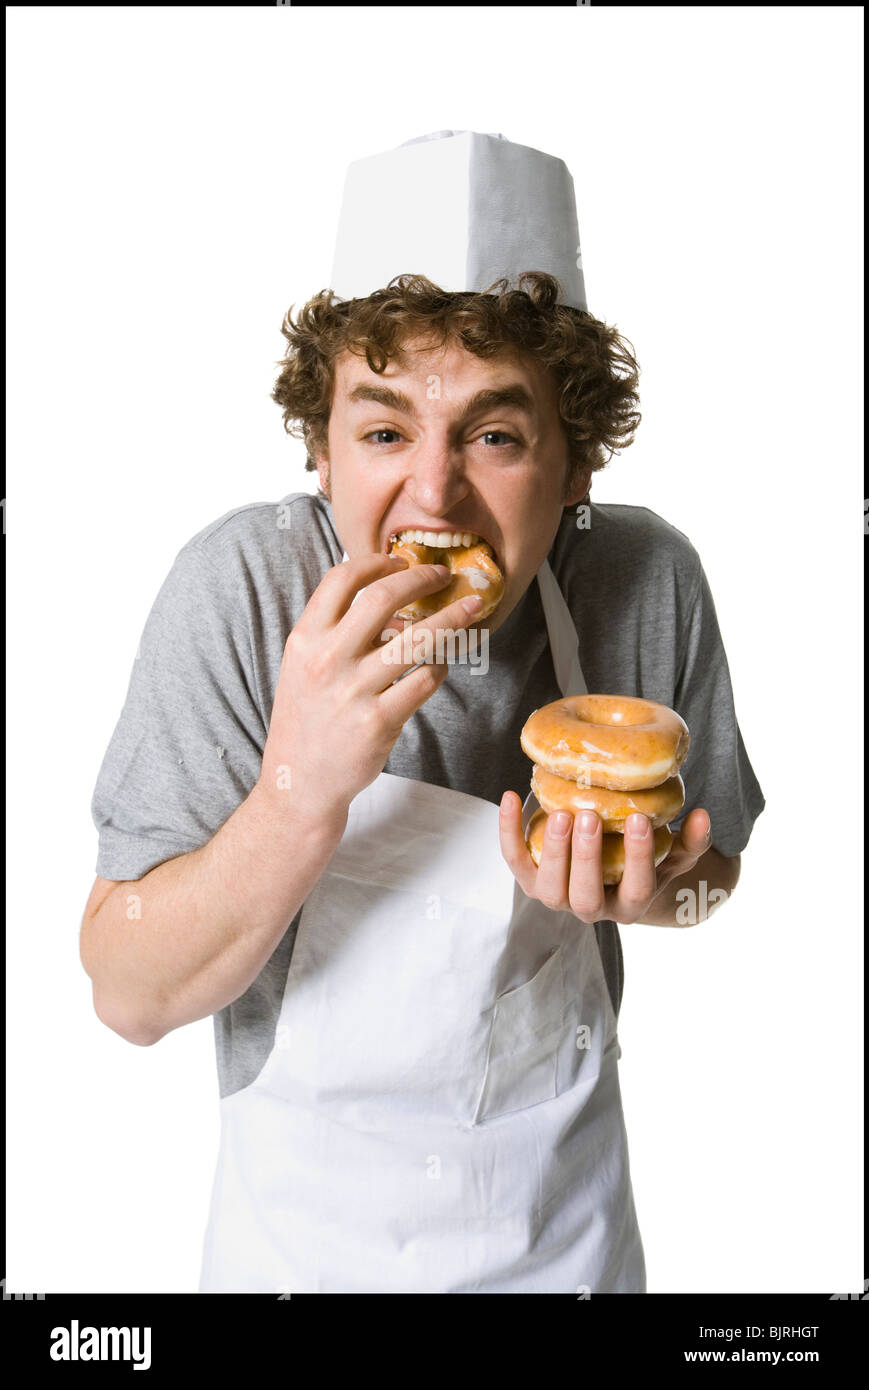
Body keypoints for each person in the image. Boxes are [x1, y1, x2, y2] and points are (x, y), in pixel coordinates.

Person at [80, 133, 765, 1294]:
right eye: (385, 430)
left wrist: (649, 891)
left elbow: (712, 877)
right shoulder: (242, 592)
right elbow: (126, 993)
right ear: (321, 449)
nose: (434, 495)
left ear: (576, 464)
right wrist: (298, 788)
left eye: (493, 434)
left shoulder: (640, 581)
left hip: (566, 1247)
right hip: (295, 1261)